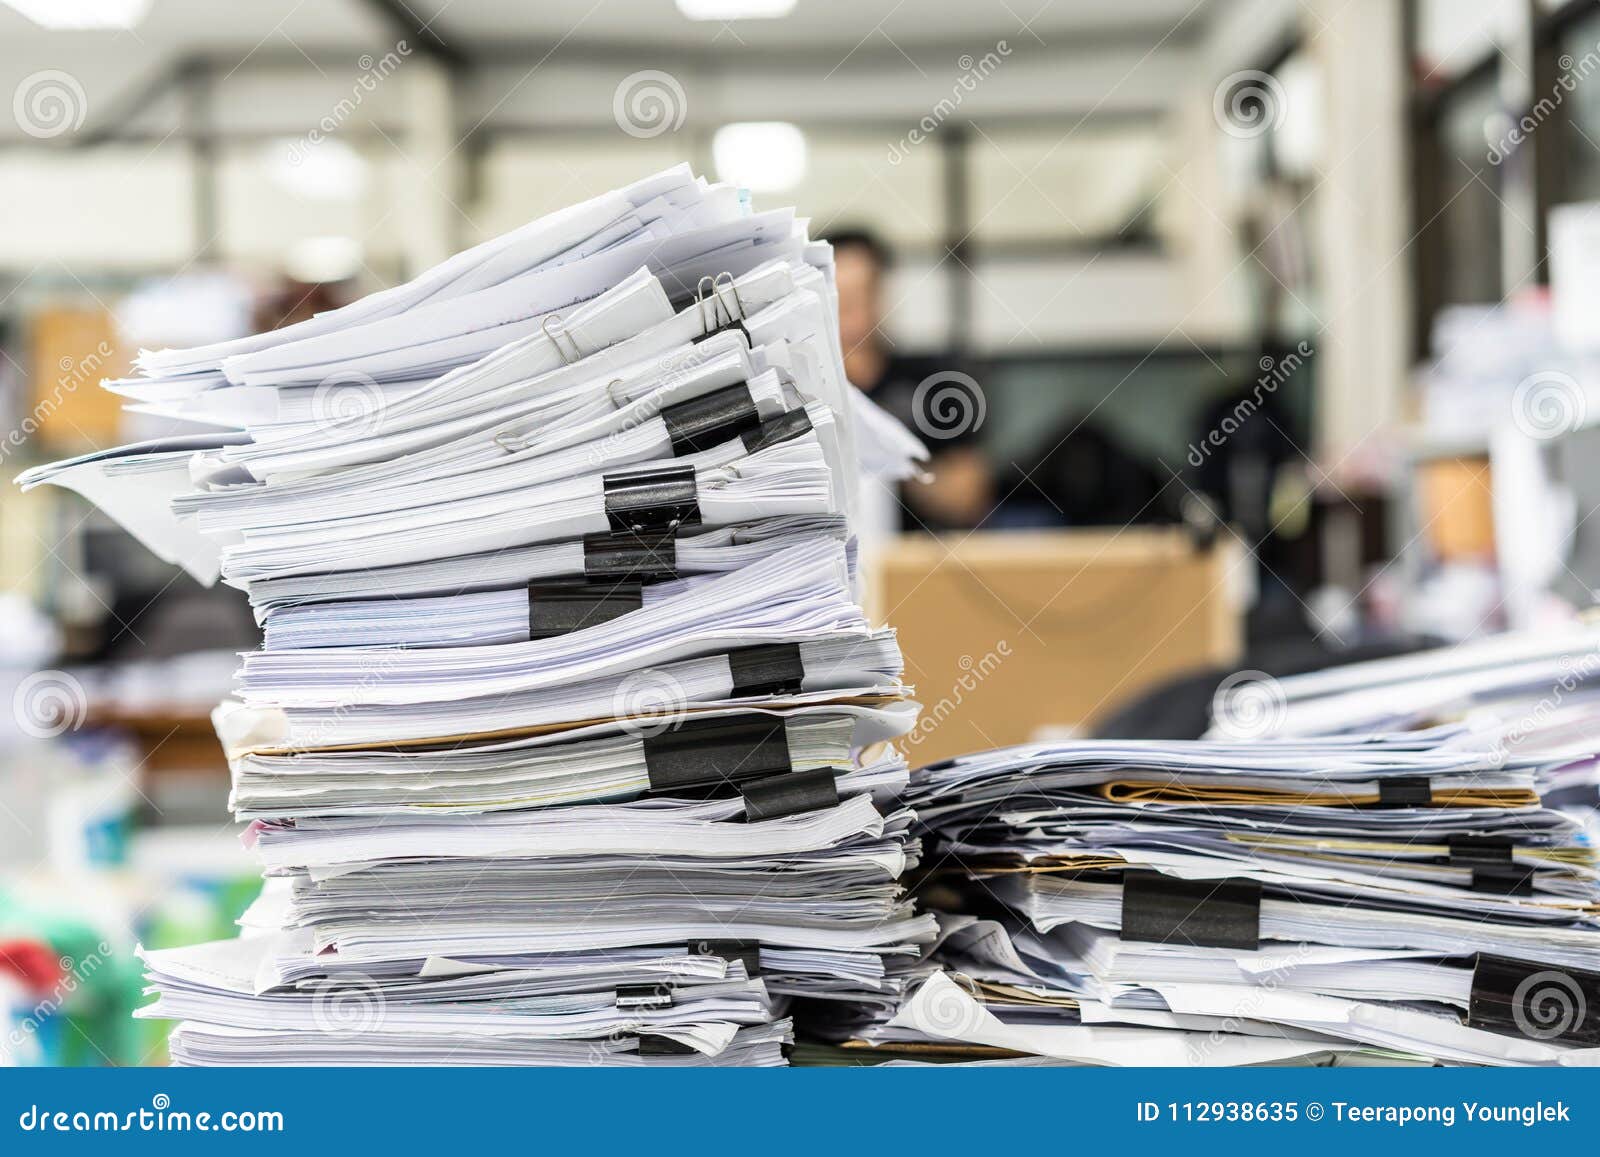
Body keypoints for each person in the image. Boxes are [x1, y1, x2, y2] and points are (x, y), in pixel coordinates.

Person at [828, 228, 993, 531]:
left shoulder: (934, 381)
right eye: (842, 300)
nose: (855, 317)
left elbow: (969, 495)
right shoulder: (804, 393)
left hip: (919, 551)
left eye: (864, 295)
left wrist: (895, 467)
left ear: (883, 293)